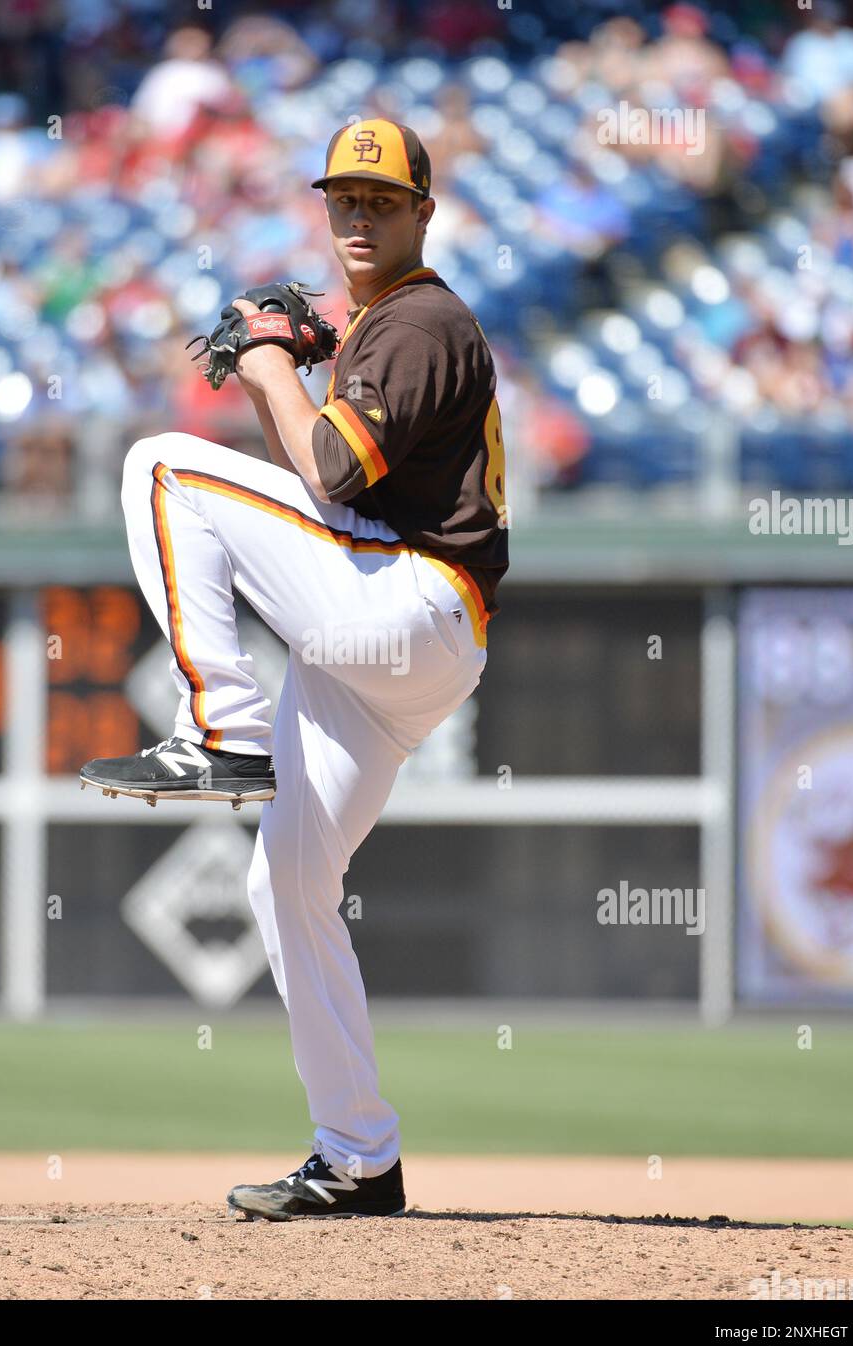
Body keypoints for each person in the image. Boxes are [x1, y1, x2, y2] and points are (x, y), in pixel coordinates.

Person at [81, 120, 509, 1219]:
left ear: (425, 209)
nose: (360, 218)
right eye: (345, 200)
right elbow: (330, 493)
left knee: (161, 467)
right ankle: (360, 1154)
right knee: (290, 877)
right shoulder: (379, 326)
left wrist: (270, 361)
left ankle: (223, 723)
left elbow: (325, 463)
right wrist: (301, 370)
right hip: (386, 637)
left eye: (382, 200)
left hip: (412, 604)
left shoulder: (422, 319)